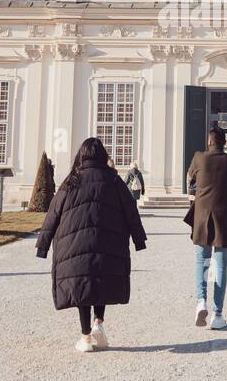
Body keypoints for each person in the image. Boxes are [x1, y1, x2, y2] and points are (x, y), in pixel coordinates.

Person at [36, 137, 147, 352]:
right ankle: (99, 323)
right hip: (108, 242)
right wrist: (139, 239)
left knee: (83, 286)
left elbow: (53, 213)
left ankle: (86, 337)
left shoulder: (71, 181)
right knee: (101, 281)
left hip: (75, 245)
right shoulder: (114, 180)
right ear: (102, 156)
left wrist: (43, 245)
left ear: (81, 155)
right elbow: (130, 211)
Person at [187, 125, 227, 329]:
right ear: (225, 143)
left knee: (201, 261)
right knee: (221, 266)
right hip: (224, 217)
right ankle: (218, 315)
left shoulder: (199, 157)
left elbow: (190, 178)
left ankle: (201, 301)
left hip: (202, 216)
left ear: (209, 141)